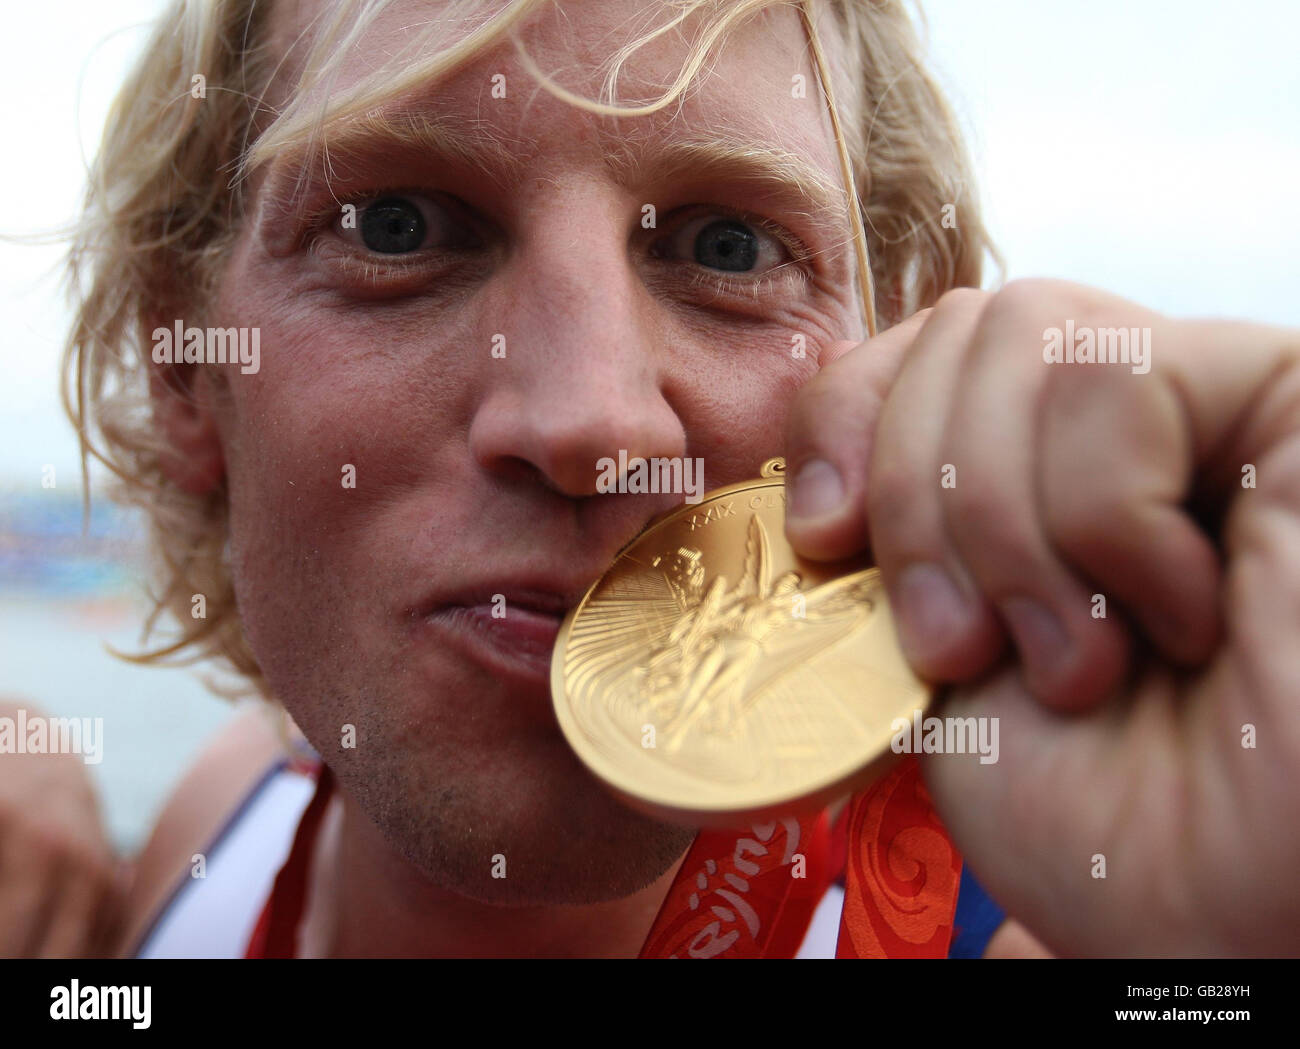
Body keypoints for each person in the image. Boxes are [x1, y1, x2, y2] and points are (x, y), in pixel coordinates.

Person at [21, 0, 1299, 957]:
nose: (588, 419)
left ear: (900, 358)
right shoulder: (208, 836)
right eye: (395, 226)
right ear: (186, 373)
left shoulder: (1092, 926)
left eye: (727, 247)